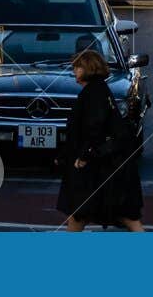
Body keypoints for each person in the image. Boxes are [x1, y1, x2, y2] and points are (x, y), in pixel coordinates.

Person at [56, 48, 144, 232]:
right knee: (118, 214)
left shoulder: (93, 93)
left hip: (101, 166)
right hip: (109, 163)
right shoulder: (99, 90)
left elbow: (94, 127)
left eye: (77, 67)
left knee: (81, 213)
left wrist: (85, 156)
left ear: (87, 68)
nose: (74, 71)